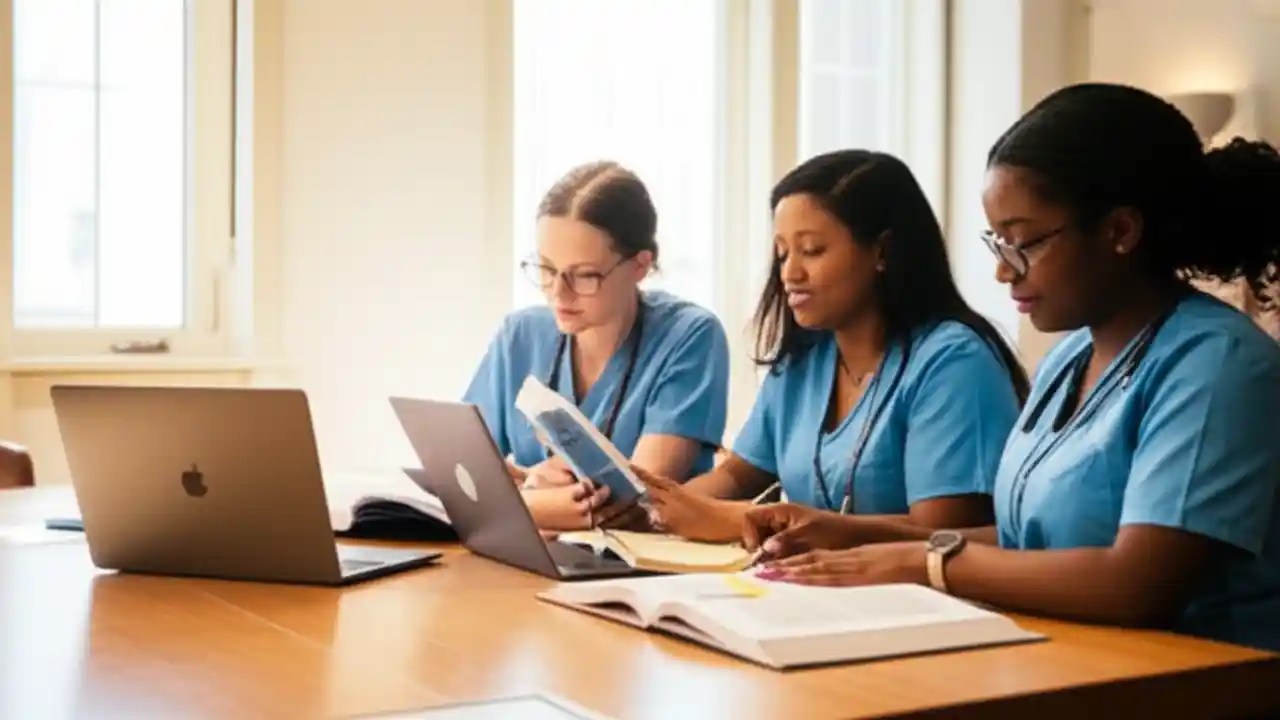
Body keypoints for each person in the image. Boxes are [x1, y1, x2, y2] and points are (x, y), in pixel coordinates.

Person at [742, 83, 1280, 652]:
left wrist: (924, 562)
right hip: (1061, 658)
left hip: (1199, 684)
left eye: (1023, 242)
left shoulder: (1217, 364)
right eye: (997, 243)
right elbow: (1032, 541)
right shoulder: (1070, 359)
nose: (1004, 272)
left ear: (1120, 231)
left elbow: (1136, 583)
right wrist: (853, 534)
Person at [634, 150, 1028, 542]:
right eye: (783, 253)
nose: (790, 273)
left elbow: (945, 532)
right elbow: (738, 476)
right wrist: (661, 507)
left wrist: (744, 521)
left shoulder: (954, 361)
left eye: (812, 251)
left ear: (882, 251)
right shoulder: (806, 358)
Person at [464, 161, 730, 531]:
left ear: (640, 265)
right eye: (546, 268)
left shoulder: (689, 335)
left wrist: (523, 496)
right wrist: (535, 495)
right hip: (533, 554)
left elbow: (636, 499)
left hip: (646, 567)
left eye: (585, 275)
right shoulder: (520, 335)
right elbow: (464, 479)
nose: (558, 292)